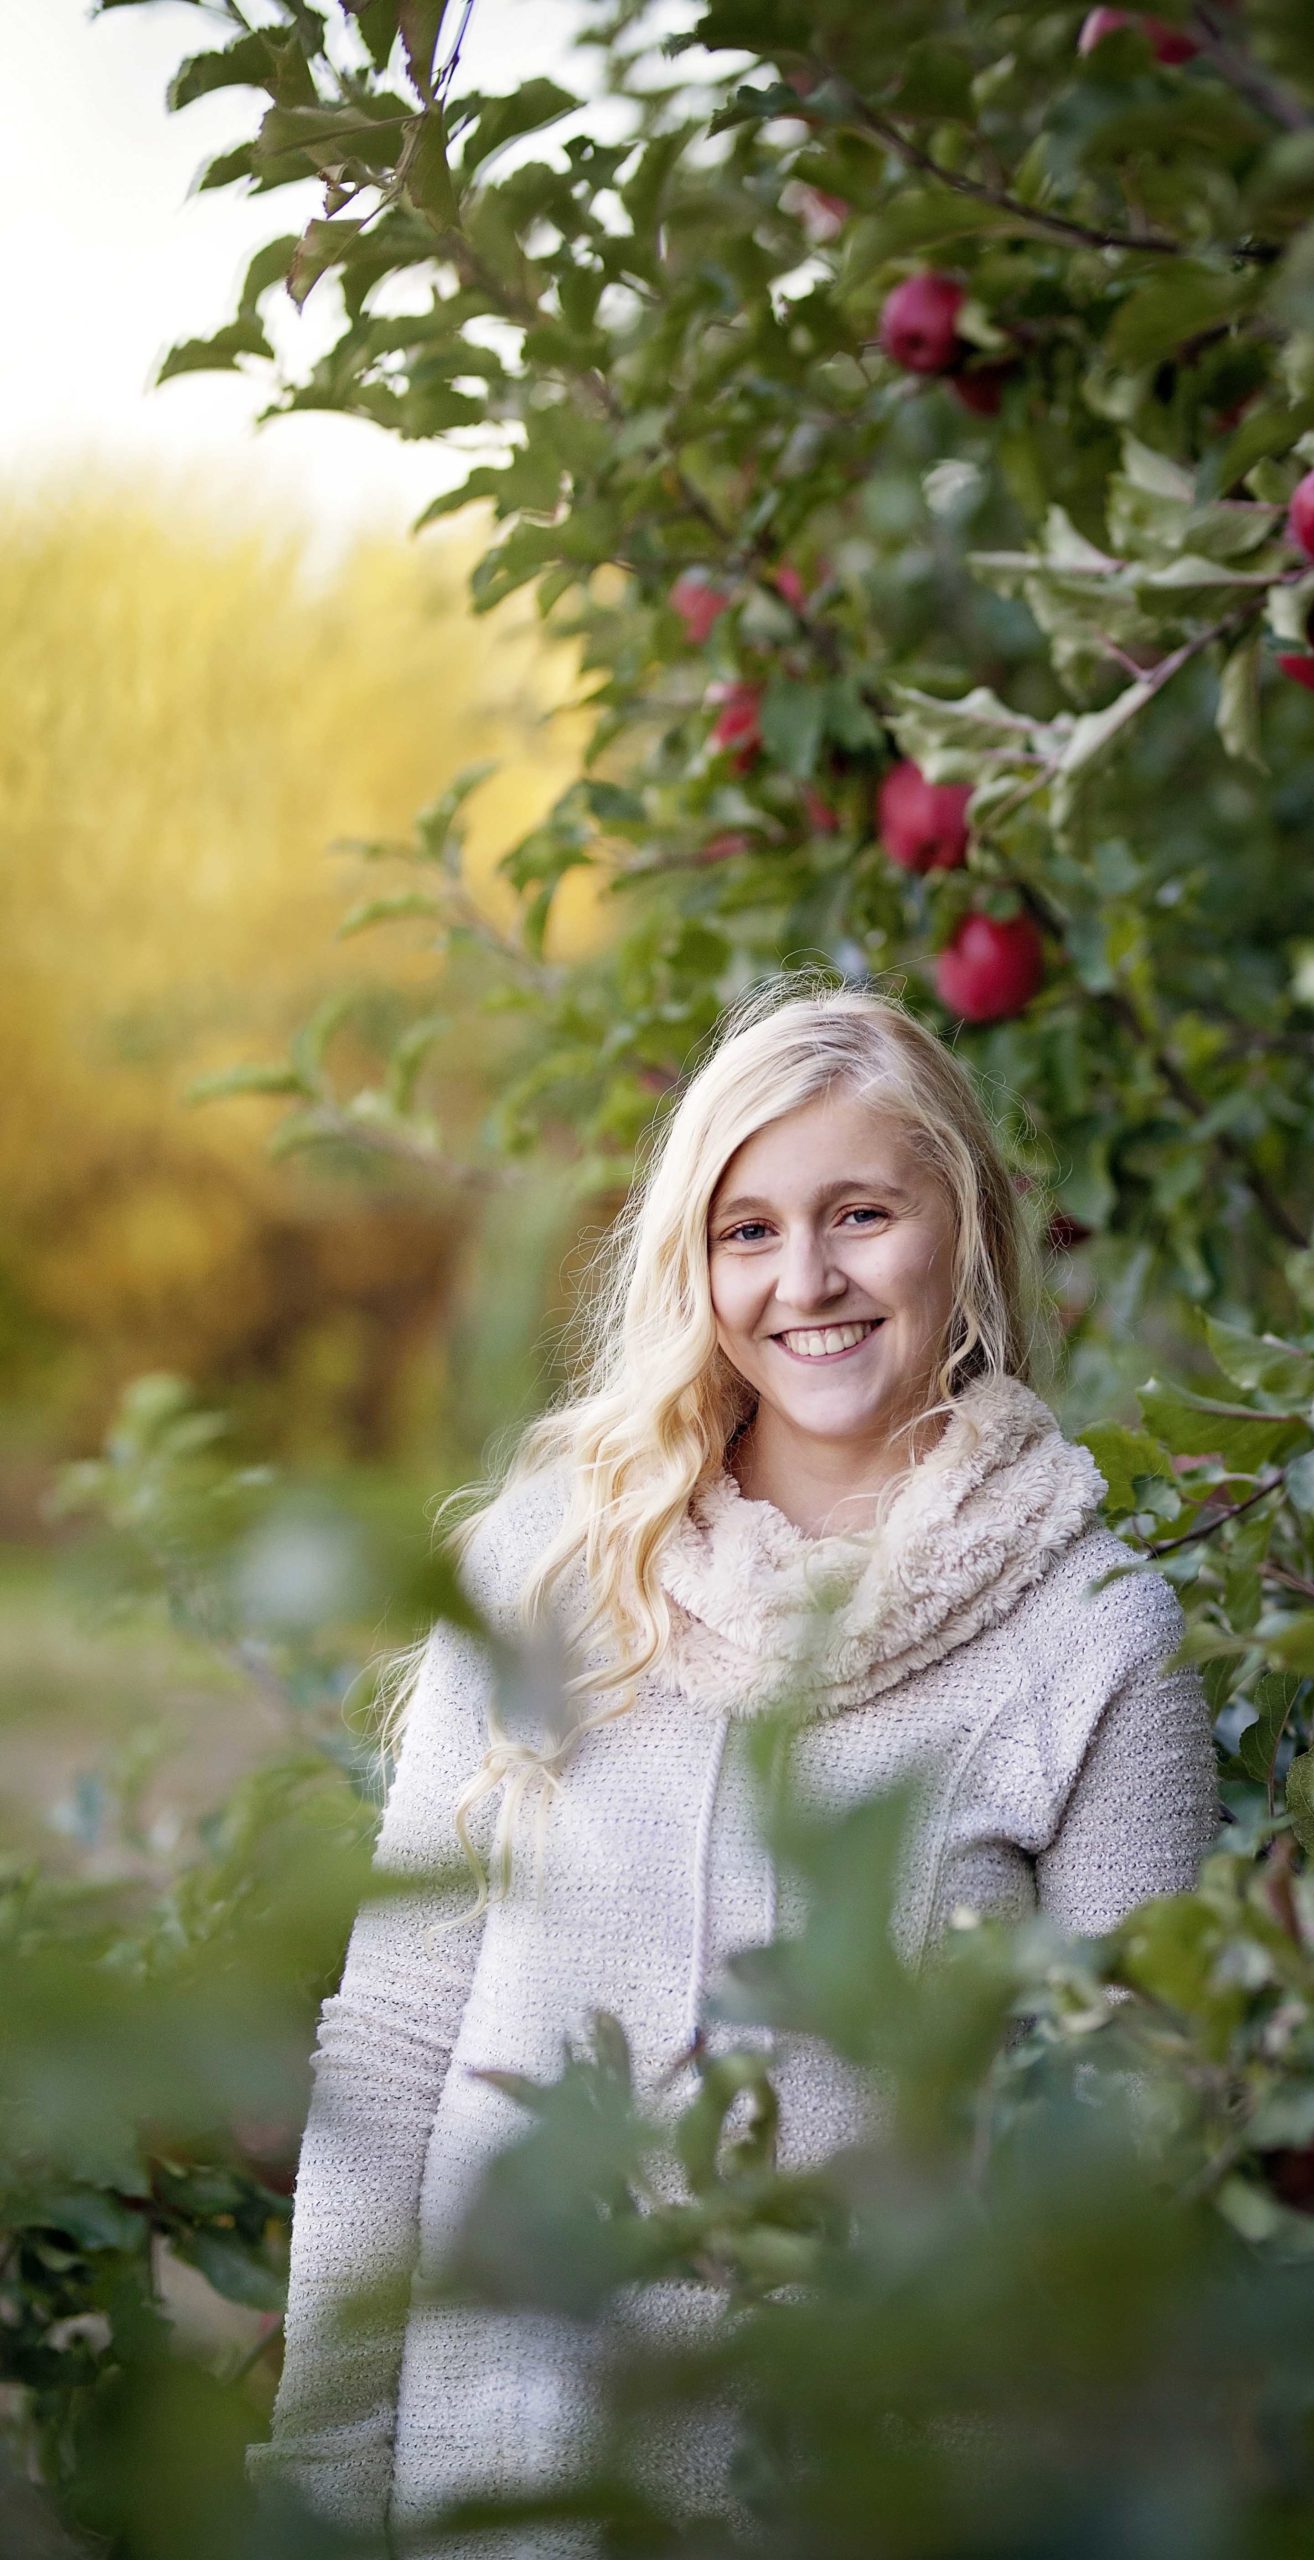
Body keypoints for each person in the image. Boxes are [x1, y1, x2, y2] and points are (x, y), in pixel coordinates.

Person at [250, 975, 1222, 2552]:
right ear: (694, 1266)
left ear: (963, 1231)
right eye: (748, 1230)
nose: (807, 1279)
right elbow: (395, 2041)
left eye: (861, 1215)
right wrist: (321, 2472)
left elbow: (1133, 2139)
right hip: (508, 2483)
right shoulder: (552, 1570)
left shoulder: (1094, 1637)